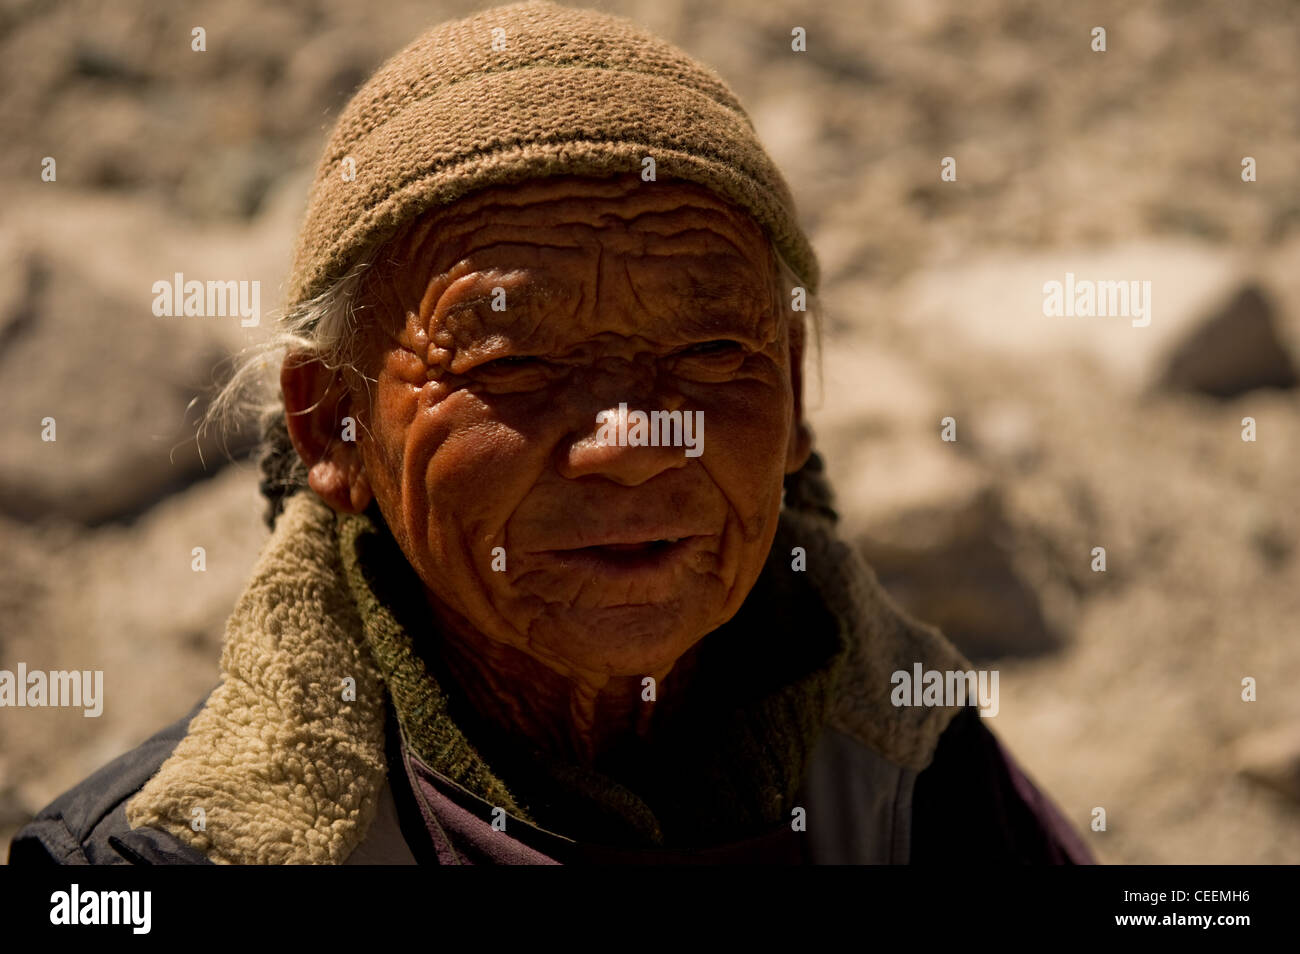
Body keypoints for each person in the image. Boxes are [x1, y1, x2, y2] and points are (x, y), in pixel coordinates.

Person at [9, 0, 1092, 865]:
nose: (635, 438)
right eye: (512, 365)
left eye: (713, 355)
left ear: (797, 401)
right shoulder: (149, 869)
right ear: (334, 428)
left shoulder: (905, 768)